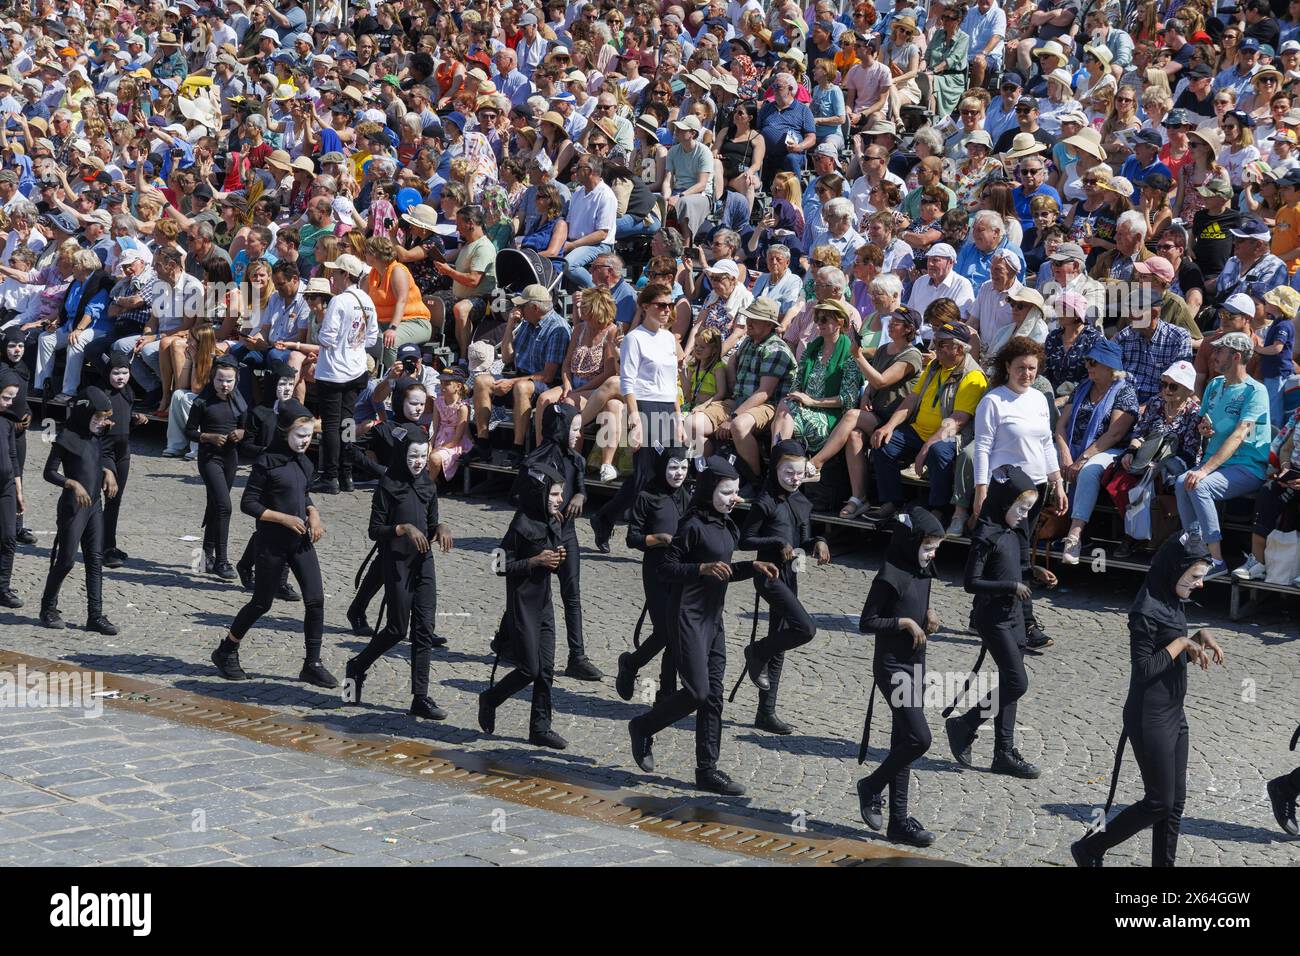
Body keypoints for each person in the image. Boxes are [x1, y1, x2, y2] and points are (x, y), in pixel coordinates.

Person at [626, 456, 779, 795]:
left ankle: (707, 770)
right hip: (687, 618)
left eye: (736, 493)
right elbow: (666, 568)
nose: (733, 499)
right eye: (726, 492)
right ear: (710, 490)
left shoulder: (728, 526)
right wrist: (700, 569)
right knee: (697, 692)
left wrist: (752, 567)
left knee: (714, 698)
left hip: (714, 620)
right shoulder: (691, 524)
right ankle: (643, 726)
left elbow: (722, 569)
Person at [1071, 534, 1224, 867]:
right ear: (1173, 570)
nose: (1199, 585)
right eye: (1194, 577)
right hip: (1148, 716)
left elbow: (1170, 644)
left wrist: (1198, 637)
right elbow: (1144, 669)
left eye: (1201, 577)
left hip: (1174, 713)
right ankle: (1090, 848)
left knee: (1175, 803)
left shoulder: (1172, 598)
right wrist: (1183, 644)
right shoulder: (1145, 610)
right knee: (1158, 801)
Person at [210, 400, 336, 689]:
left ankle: (312, 664)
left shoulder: (305, 462)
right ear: (284, 432)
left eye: (309, 435)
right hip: (271, 543)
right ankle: (226, 650)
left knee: (316, 600)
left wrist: (313, 514)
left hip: (300, 540)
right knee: (261, 603)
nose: (306, 441)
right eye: (300, 436)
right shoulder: (267, 462)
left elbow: (303, 496)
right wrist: (283, 519)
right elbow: (248, 503)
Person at [345, 426, 454, 721]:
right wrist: (403, 528)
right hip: (395, 563)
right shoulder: (387, 485)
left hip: (423, 563)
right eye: (413, 456)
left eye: (423, 455)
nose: (419, 461)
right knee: (396, 629)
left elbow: (432, 524)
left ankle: (420, 697)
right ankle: (357, 666)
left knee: (424, 631)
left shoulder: (427, 485)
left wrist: (440, 528)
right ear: (401, 454)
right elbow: (374, 530)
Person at [855, 507, 945, 847]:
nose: (932, 553)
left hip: (917, 664)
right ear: (909, 543)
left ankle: (899, 822)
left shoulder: (922, 570)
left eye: (935, 547)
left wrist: (929, 614)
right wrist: (904, 623)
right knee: (919, 739)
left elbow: (921, 600)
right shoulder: (889, 575)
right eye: (927, 547)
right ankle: (871, 785)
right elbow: (867, 622)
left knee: (903, 742)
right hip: (892, 667)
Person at [945, 464, 1041, 780]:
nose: (1025, 514)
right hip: (992, 619)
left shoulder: (1014, 531)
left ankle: (1003, 752)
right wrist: (1010, 587)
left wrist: (1034, 574)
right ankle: (965, 723)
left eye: (1028, 509)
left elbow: (1017, 567)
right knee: (1017, 682)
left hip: (1013, 617)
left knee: (1008, 685)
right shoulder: (986, 534)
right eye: (1021, 508)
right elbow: (971, 582)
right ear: (1004, 503)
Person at [738, 440, 831, 735]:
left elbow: (803, 537)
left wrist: (818, 542)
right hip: (769, 575)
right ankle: (755, 652)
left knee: (781, 641)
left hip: (791, 575)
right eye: (788, 472)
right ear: (775, 469)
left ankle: (765, 712)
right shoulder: (765, 501)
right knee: (805, 629)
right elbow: (745, 540)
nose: (794, 479)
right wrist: (775, 543)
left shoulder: (802, 502)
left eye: (799, 473)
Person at [477, 462, 571, 750]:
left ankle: (540, 728)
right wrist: (535, 561)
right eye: (554, 494)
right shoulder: (520, 524)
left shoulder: (554, 520)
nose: (559, 500)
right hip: (522, 606)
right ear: (539, 494)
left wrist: (557, 559)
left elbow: (549, 558)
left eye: (561, 494)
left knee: (546, 670)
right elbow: (497, 563)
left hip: (544, 603)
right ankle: (491, 698)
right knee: (529, 669)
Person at [587, 283, 682, 551]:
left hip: (667, 407)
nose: (666, 310)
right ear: (645, 307)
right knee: (644, 474)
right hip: (644, 405)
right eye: (660, 305)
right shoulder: (634, 338)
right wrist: (635, 417)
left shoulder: (668, 338)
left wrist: (678, 417)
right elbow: (627, 381)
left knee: (666, 471)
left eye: (669, 305)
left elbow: (672, 382)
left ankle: (652, 526)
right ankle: (608, 518)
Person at [869, 314, 987, 523]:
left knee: (939, 451)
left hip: (952, 434)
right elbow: (911, 400)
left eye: (941, 344)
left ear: (959, 349)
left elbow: (958, 420)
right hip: (919, 429)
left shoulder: (972, 376)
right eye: (935, 342)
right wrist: (888, 426)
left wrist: (928, 445)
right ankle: (892, 502)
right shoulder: (934, 366)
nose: (935, 347)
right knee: (884, 443)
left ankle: (939, 509)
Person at [1176, 332, 1271, 580]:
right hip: (1216, 463)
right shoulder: (1215, 385)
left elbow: (1240, 434)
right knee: (1180, 482)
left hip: (1248, 466)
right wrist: (1203, 428)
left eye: (1220, 351)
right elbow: (1205, 422)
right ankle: (1196, 549)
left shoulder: (1256, 391)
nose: (1213, 355)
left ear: (1236, 356)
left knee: (1199, 485)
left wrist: (1204, 470)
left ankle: (1215, 559)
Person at [615, 445, 692, 705]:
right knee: (664, 631)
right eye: (673, 467)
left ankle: (666, 691)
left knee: (677, 632)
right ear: (662, 468)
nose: (679, 473)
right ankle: (631, 663)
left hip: (680, 571)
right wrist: (657, 539)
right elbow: (632, 538)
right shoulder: (647, 496)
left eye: (683, 467)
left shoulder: (685, 495)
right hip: (657, 569)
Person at [39, 387, 119, 635]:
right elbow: (49, 472)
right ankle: (47, 608)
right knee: (66, 560)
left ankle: (95, 615)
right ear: (85, 414)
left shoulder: (96, 433)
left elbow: (101, 454)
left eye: (104, 418)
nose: (102, 423)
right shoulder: (66, 437)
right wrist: (71, 483)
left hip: (95, 504)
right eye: (98, 418)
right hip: (73, 507)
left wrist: (108, 471)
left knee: (95, 560)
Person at [1054, 339, 1140, 565]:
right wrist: (1064, 453)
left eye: (1093, 361)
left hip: (1109, 450)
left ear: (1110, 366)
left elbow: (1114, 434)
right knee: (1041, 459)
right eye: (1087, 361)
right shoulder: (1082, 387)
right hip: (1071, 444)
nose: (1088, 365)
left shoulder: (1125, 392)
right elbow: (1061, 426)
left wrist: (1081, 459)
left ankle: (1074, 534)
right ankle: (1035, 524)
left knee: (1089, 470)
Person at [314, 253, 380, 494]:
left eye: (335, 271)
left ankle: (331, 476)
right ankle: (347, 474)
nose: (331, 275)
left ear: (346, 275)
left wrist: (325, 333)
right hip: (355, 368)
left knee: (332, 425)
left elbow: (327, 337)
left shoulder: (339, 301)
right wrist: (353, 343)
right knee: (348, 422)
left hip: (333, 371)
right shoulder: (366, 300)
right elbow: (372, 338)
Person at [184, 357, 249, 581]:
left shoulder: (239, 401)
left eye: (229, 380)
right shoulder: (202, 402)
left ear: (236, 380)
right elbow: (189, 430)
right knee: (224, 507)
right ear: (213, 378)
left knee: (215, 506)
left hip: (231, 458)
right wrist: (207, 437)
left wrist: (241, 433)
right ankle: (222, 561)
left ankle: (205, 558)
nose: (225, 385)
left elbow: (247, 429)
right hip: (210, 458)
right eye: (221, 380)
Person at [99, 356, 147, 569]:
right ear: (108, 373)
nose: (120, 378)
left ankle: (110, 545)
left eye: (125, 373)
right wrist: (101, 424)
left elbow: (123, 428)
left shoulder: (128, 393)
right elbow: (86, 427)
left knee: (114, 501)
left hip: (122, 453)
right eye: (116, 373)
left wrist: (135, 420)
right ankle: (100, 548)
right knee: (102, 498)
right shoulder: (100, 395)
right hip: (104, 453)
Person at [0, 371, 21, 608]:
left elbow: (13, 456)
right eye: (6, 397)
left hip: (5, 486)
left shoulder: (7, 421)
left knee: (8, 537)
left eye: (12, 398)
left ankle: (2, 588)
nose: (9, 403)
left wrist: (19, 489)